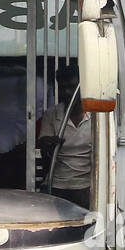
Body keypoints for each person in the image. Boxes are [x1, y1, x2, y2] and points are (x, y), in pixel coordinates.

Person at [38, 65, 91, 208]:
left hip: (86, 185)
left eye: (72, 87)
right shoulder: (52, 114)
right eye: (63, 87)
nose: (67, 92)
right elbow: (44, 143)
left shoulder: (96, 117)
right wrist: (49, 144)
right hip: (57, 184)